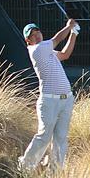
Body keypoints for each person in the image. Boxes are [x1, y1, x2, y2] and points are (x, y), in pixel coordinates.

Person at [18, 20, 79, 170]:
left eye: (37, 32)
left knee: (60, 138)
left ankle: (55, 172)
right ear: (28, 41)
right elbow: (57, 39)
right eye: (32, 35)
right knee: (44, 136)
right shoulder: (37, 50)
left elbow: (65, 54)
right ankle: (25, 166)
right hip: (49, 102)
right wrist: (68, 26)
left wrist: (74, 33)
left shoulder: (48, 51)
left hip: (66, 100)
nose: (37, 36)